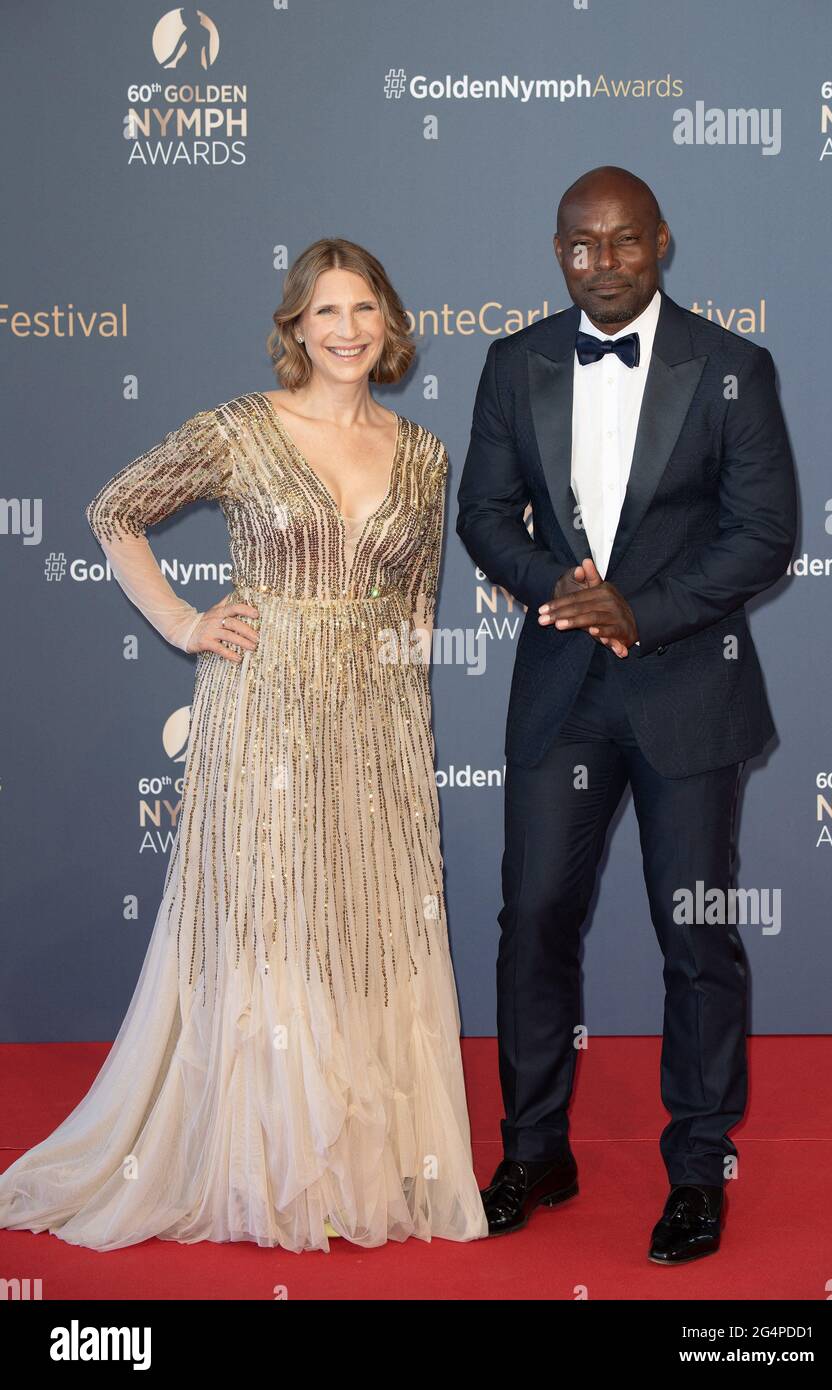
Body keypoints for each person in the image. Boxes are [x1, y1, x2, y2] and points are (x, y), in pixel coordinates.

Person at [0, 238, 487, 1253]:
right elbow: (113, 511)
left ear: (390, 324)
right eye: (325, 312)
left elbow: (417, 610)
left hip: (377, 720)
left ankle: (360, 1163)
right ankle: (262, 1158)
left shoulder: (425, 453)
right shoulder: (240, 428)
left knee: (360, 921)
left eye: (363, 309)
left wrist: (408, 735)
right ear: (295, 328)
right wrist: (184, 622)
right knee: (271, 912)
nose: (346, 329)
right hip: (260, 703)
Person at [456, 166, 796, 1262]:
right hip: (563, 690)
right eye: (579, 247)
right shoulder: (517, 363)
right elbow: (480, 511)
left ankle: (698, 1168)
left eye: (623, 244)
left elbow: (763, 534)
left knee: (695, 937)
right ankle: (533, 1146)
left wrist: (638, 611)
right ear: (558, 251)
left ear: (662, 242)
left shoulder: (733, 368)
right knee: (533, 924)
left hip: (688, 689)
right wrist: (564, 593)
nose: (601, 265)